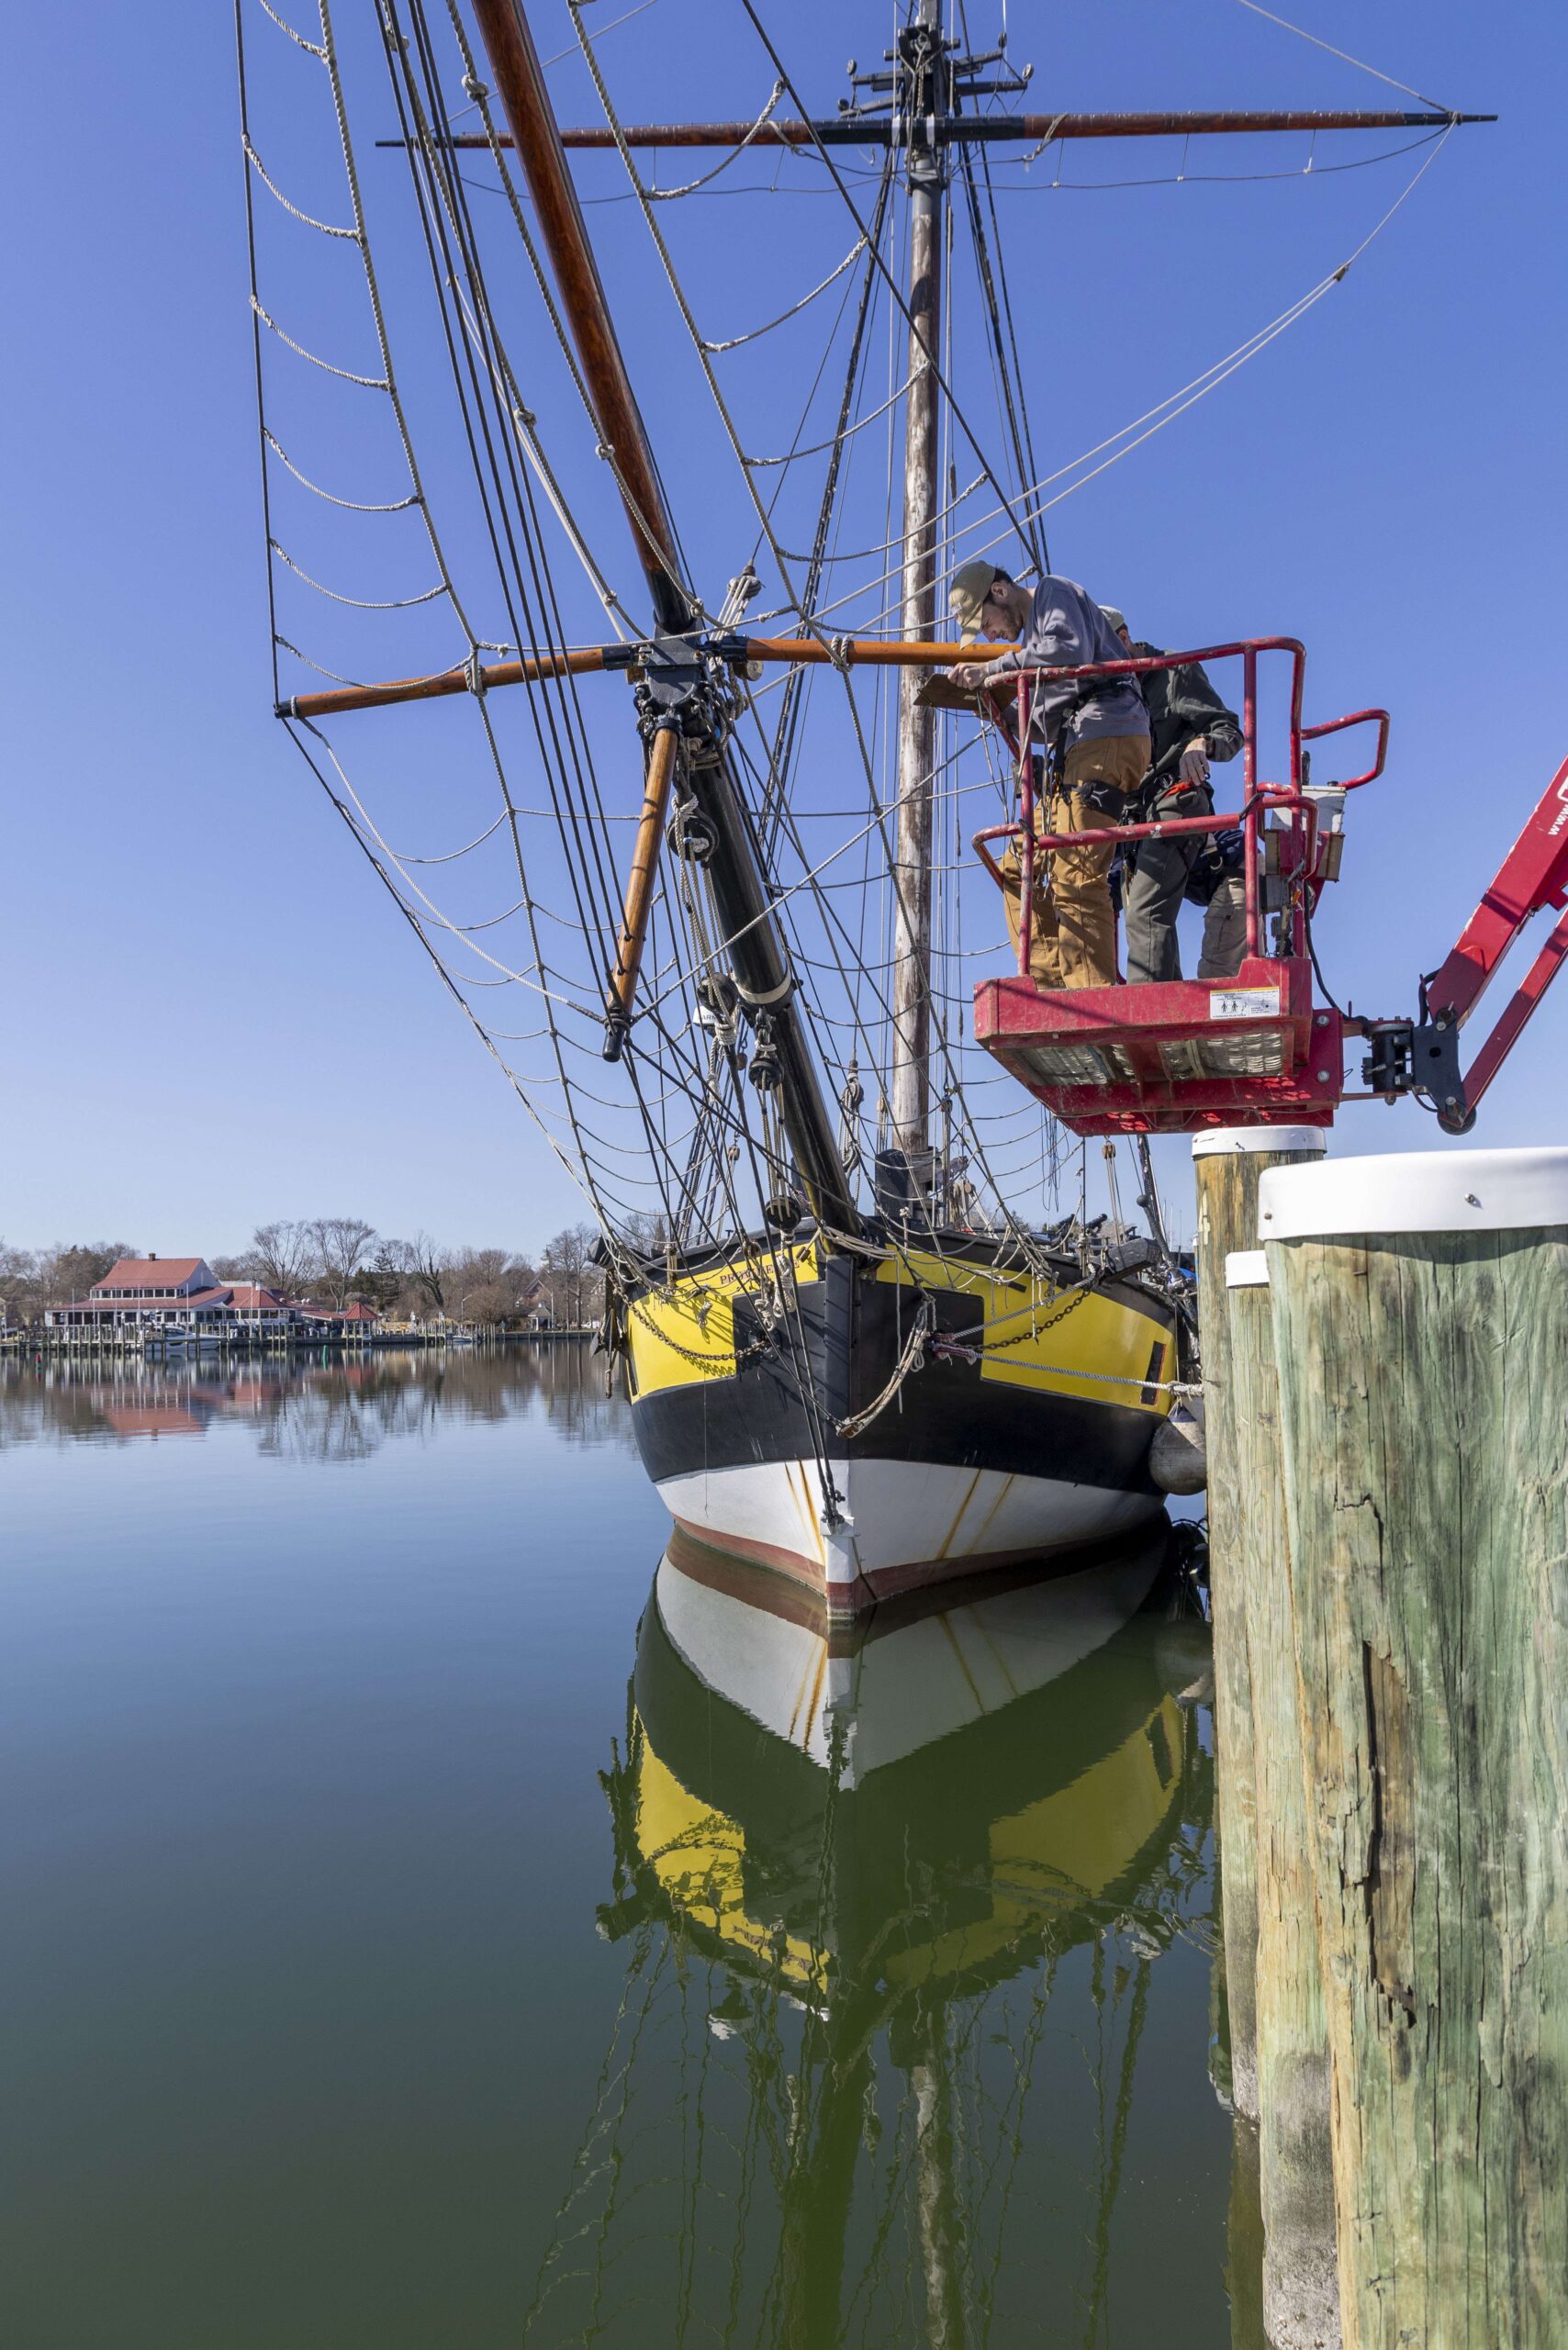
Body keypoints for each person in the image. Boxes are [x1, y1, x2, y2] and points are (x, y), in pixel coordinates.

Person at [947, 562, 1148, 990]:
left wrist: (992, 670)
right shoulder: (1037, 639)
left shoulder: (1053, 593)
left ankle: (1093, 1002)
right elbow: (1044, 720)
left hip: (1107, 733)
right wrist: (994, 709)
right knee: (1019, 864)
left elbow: (1067, 653)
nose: (992, 636)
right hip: (1081, 744)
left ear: (1000, 591)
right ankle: (1050, 986)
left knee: (1075, 872)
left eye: (986, 623)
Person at [1100, 607, 1247, 984]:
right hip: (1134, 823)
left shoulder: (1173, 672)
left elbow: (1228, 729)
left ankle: (1144, 1025)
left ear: (1124, 637)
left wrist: (1203, 742)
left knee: (1146, 915)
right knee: (1120, 906)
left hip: (1175, 801)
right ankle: (1166, 1015)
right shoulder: (1102, 692)